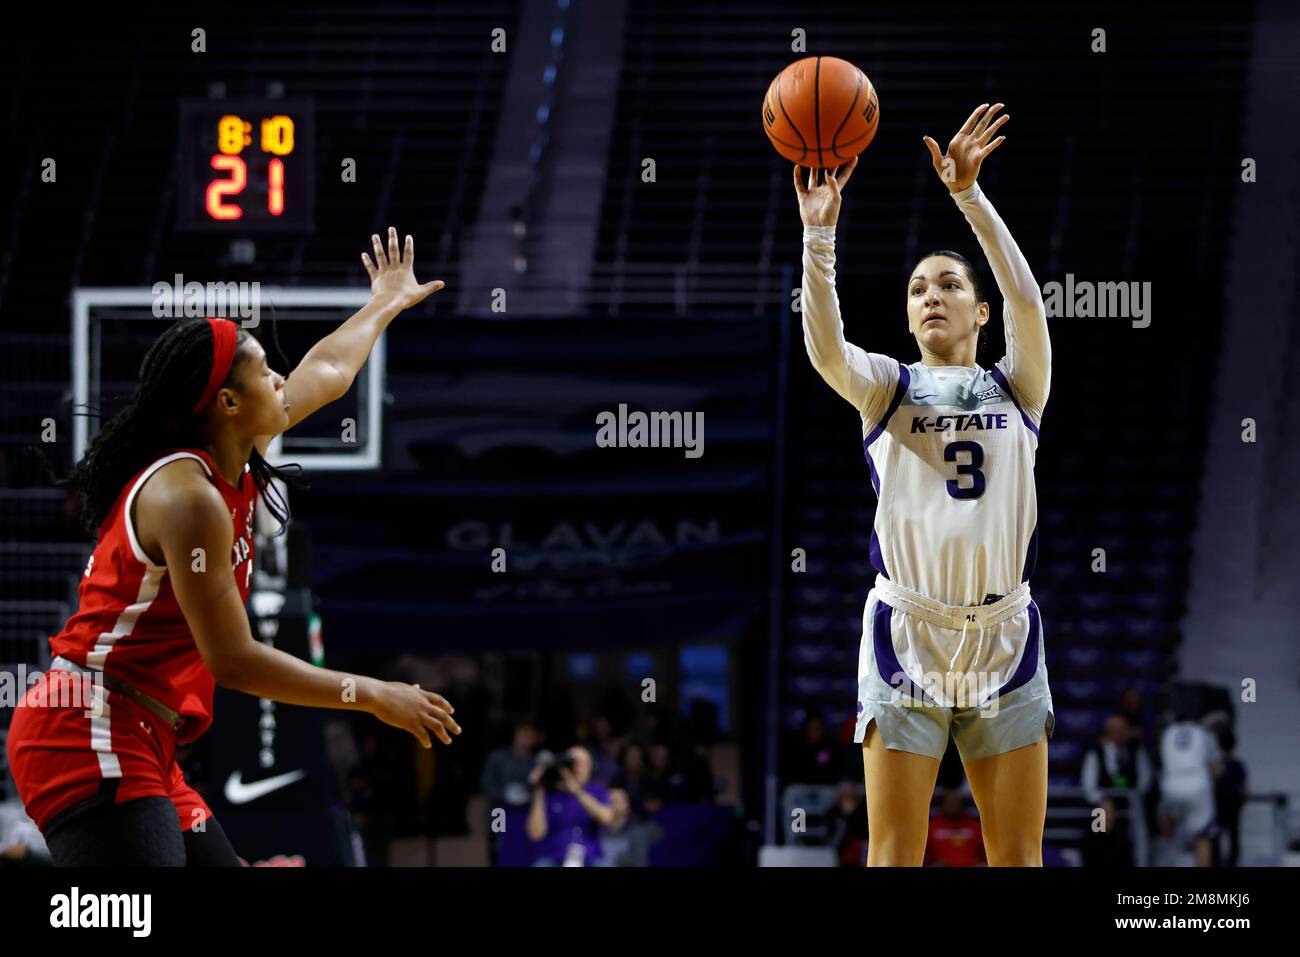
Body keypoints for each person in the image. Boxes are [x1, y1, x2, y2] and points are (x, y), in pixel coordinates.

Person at [5, 228, 461, 866]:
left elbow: (327, 372)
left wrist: (384, 301)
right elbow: (235, 660)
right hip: (86, 729)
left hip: (146, 736)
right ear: (226, 402)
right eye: (264, 370)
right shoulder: (188, 497)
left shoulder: (240, 445)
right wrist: (371, 694)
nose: (281, 378)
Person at [797, 103, 1054, 866]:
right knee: (894, 856)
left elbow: (1030, 300)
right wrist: (819, 236)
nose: (931, 295)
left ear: (981, 311)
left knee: (1018, 858)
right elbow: (825, 349)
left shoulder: (1019, 384)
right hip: (907, 632)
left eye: (947, 284)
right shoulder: (889, 385)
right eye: (916, 289)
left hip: (1006, 634)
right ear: (909, 318)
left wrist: (969, 197)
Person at [525, 746, 617, 866]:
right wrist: (539, 787)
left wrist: (576, 790)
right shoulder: (551, 795)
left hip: (590, 857)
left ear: (591, 767)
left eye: (582, 763)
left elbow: (607, 818)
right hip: (554, 857)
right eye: (573, 762)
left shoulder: (597, 791)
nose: (577, 767)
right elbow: (535, 834)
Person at [1158, 712, 1222, 867]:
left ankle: (1163, 862)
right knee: (1203, 836)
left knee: (1168, 829)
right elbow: (1215, 770)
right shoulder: (1203, 733)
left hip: (1170, 782)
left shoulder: (1168, 732)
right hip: (1196, 781)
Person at [481, 720, 542, 865]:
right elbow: (486, 785)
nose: (525, 739)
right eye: (523, 734)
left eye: (529, 736)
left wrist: (529, 792)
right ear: (515, 735)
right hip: (499, 810)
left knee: (522, 848)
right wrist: (504, 794)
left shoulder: (535, 762)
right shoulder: (498, 757)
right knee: (497, 846)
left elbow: (538, 789)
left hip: (524, 812)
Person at [924, 790, 986, 867]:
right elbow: (924, 856)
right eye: (949, 802)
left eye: (955, 802)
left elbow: (986, 853)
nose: (953, 805)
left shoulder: (976, 826)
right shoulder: (931, 827)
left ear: (961, 803)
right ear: (943, 804)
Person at [1213, 728, 1247, 866]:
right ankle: (1230, 863)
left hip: (1219, 802)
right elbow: (1244, 787)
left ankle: (1217, 862)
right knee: (1233, 835)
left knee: (1217, 836)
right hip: (1233, 803)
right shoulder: (1238, 764)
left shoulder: (1216, 765)